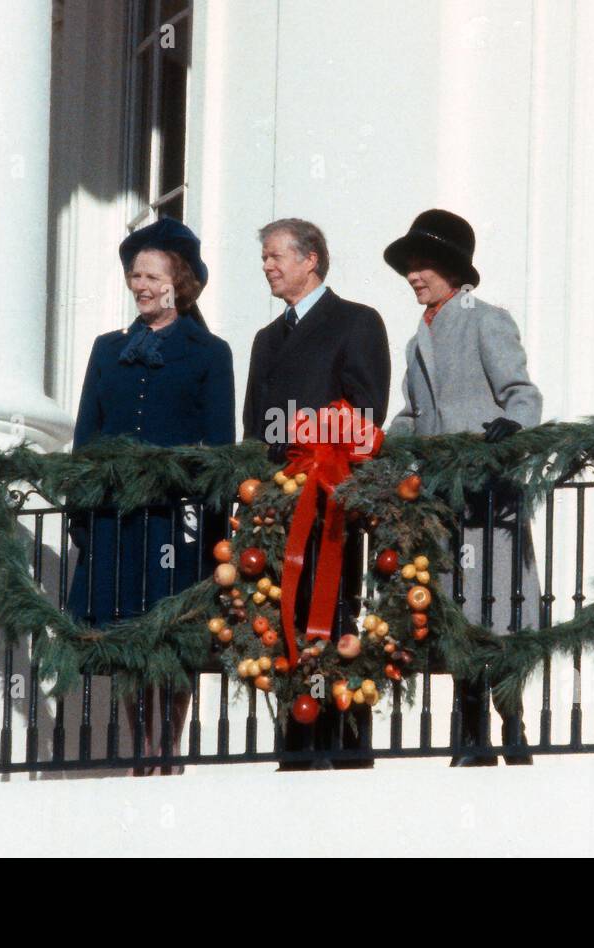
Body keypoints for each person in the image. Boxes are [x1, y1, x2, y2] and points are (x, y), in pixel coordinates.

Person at [67, 218, 235, 775]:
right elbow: (86, 439)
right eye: (134, 274)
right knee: (125, 635)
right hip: (118, 520)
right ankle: (143, 753)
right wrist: (83, 517)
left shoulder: (210, 352)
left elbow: (218, 449)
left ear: (179, 283)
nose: (140, 284)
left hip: (176, 523)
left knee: (175, 640)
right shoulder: (107, 349)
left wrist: (210, 529)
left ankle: (168, 753)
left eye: (152, 275)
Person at [383, 208, 542, 766]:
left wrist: (511, 429)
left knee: (496, 612)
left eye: (424, 264)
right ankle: (469, 730)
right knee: (453, 611)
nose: (414, 276)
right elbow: (410, 414)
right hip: (438, 503)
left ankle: (512, 725)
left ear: (454, 268)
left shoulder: (484, 318)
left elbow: (523, 394)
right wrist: (381, 446)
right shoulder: (414, 339)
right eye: (410, 266)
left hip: (486, 497)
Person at [244, 218, 391, 769]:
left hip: (332, 503)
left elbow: (367, 409)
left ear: (311, 260)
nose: (267, 265)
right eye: (263, 256)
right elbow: (255, 427)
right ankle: (296, 746)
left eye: (276, 255)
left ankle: (343, 746)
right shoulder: (266, 338)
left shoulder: (355, 322)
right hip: (278, 507)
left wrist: (314, 444)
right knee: (281, 616)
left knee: (334, 616)